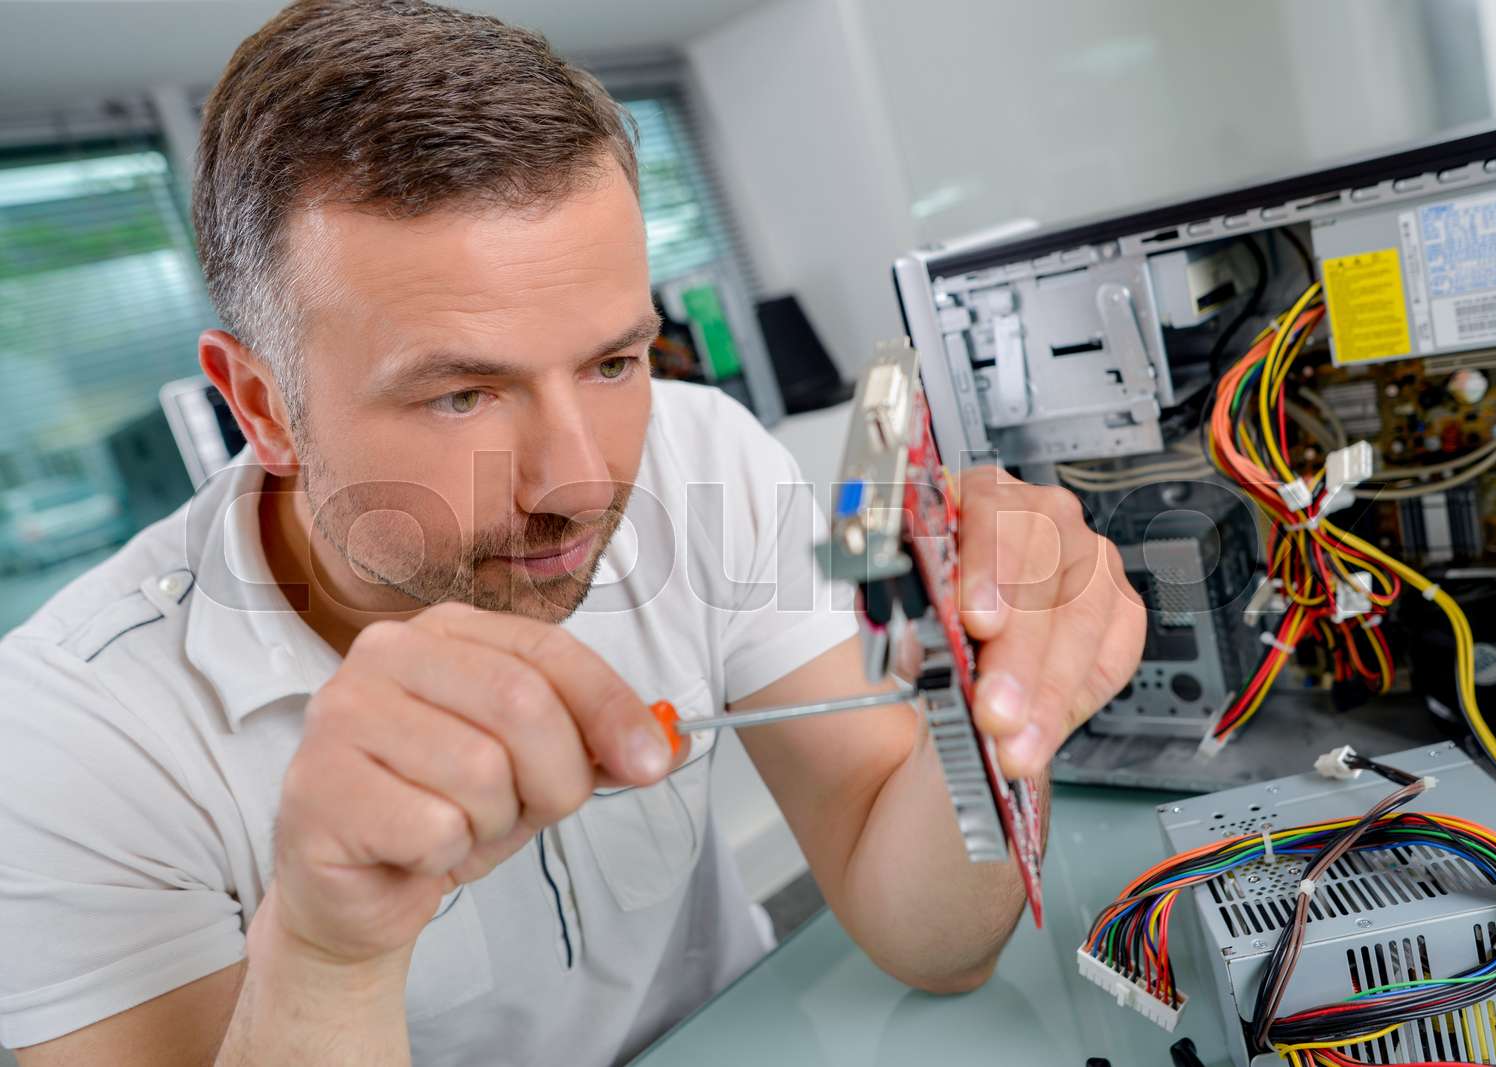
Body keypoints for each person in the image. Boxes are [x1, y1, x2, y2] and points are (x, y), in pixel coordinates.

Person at [0, 2, 1145, 1063]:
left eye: (612, 362)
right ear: (261, 406)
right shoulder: (65, 741)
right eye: (461, 393)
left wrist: (996, 713)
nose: (583, 482)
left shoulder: (703, 456)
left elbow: (933, 940)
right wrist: (327, 953)